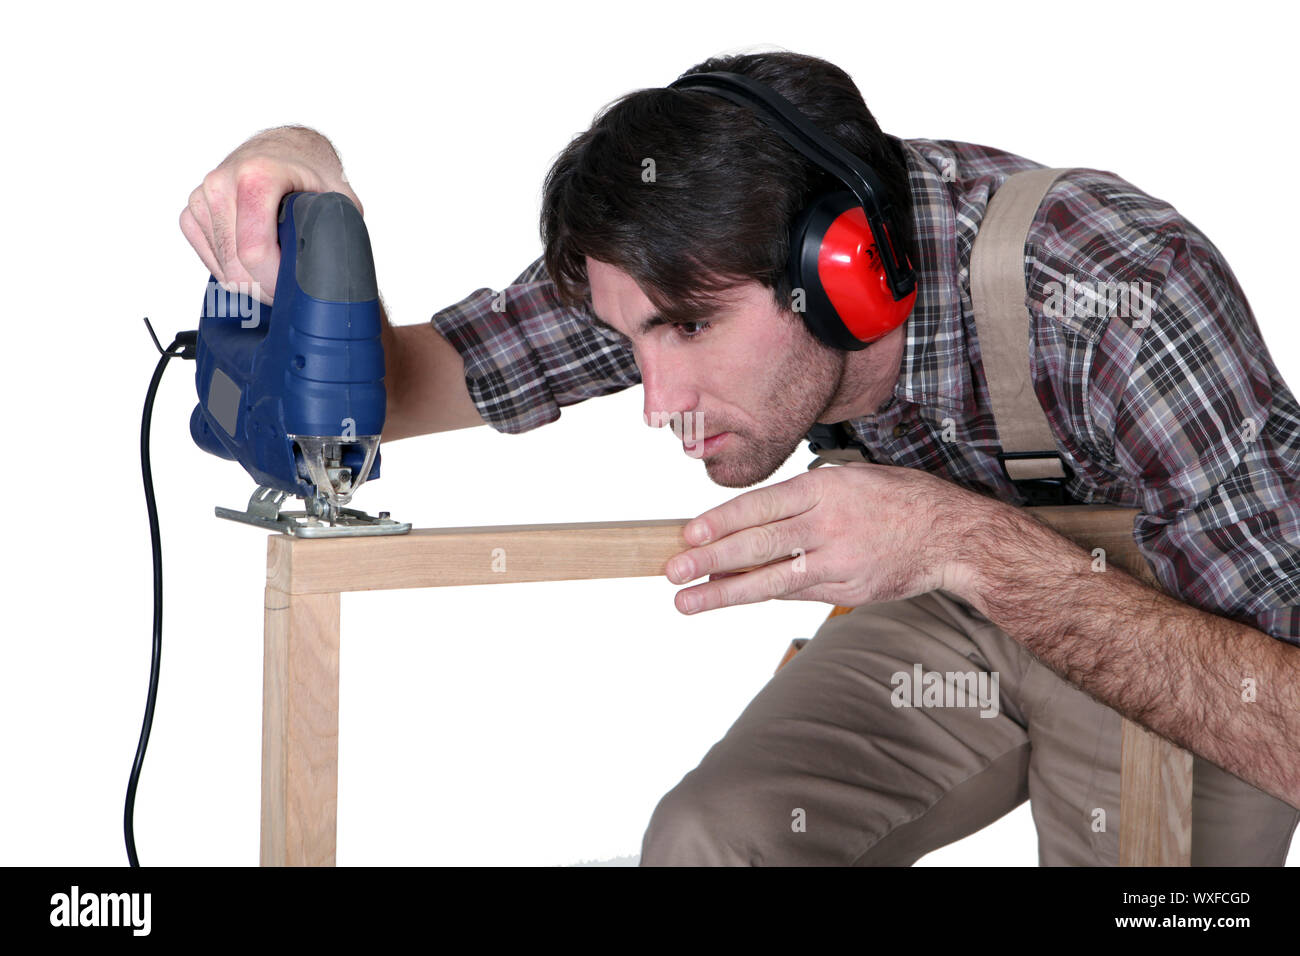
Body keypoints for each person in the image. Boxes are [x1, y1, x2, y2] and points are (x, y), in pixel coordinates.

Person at [181, 51, 1300, 866]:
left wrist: (957, 537)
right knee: (713, 841)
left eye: (683, 332)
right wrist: (303, 188)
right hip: (950, 595)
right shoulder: (682, 260)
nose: (654, 399)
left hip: (1182, 630)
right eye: (629, 339)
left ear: (842, 270)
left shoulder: (1116, 292)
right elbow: (374, 392)